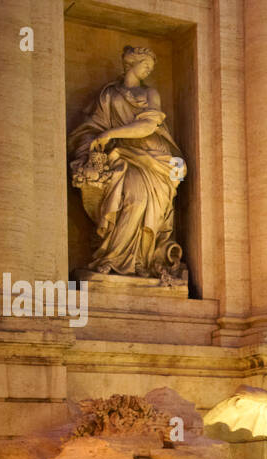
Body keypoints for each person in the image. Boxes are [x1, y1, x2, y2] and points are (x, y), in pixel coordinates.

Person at [68, 46, 187, 283]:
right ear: (131, 63)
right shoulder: (109, 96)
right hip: (123, 156)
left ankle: (142, 261)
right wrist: (96, 142)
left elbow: (148, 126)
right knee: (134, 198)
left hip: (153, 156)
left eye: (151, 67)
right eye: (145, 64)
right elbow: (93, 127)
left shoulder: (151, 93)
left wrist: (111, 134)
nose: (148, 70)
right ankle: (112, 258)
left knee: (148, 203)